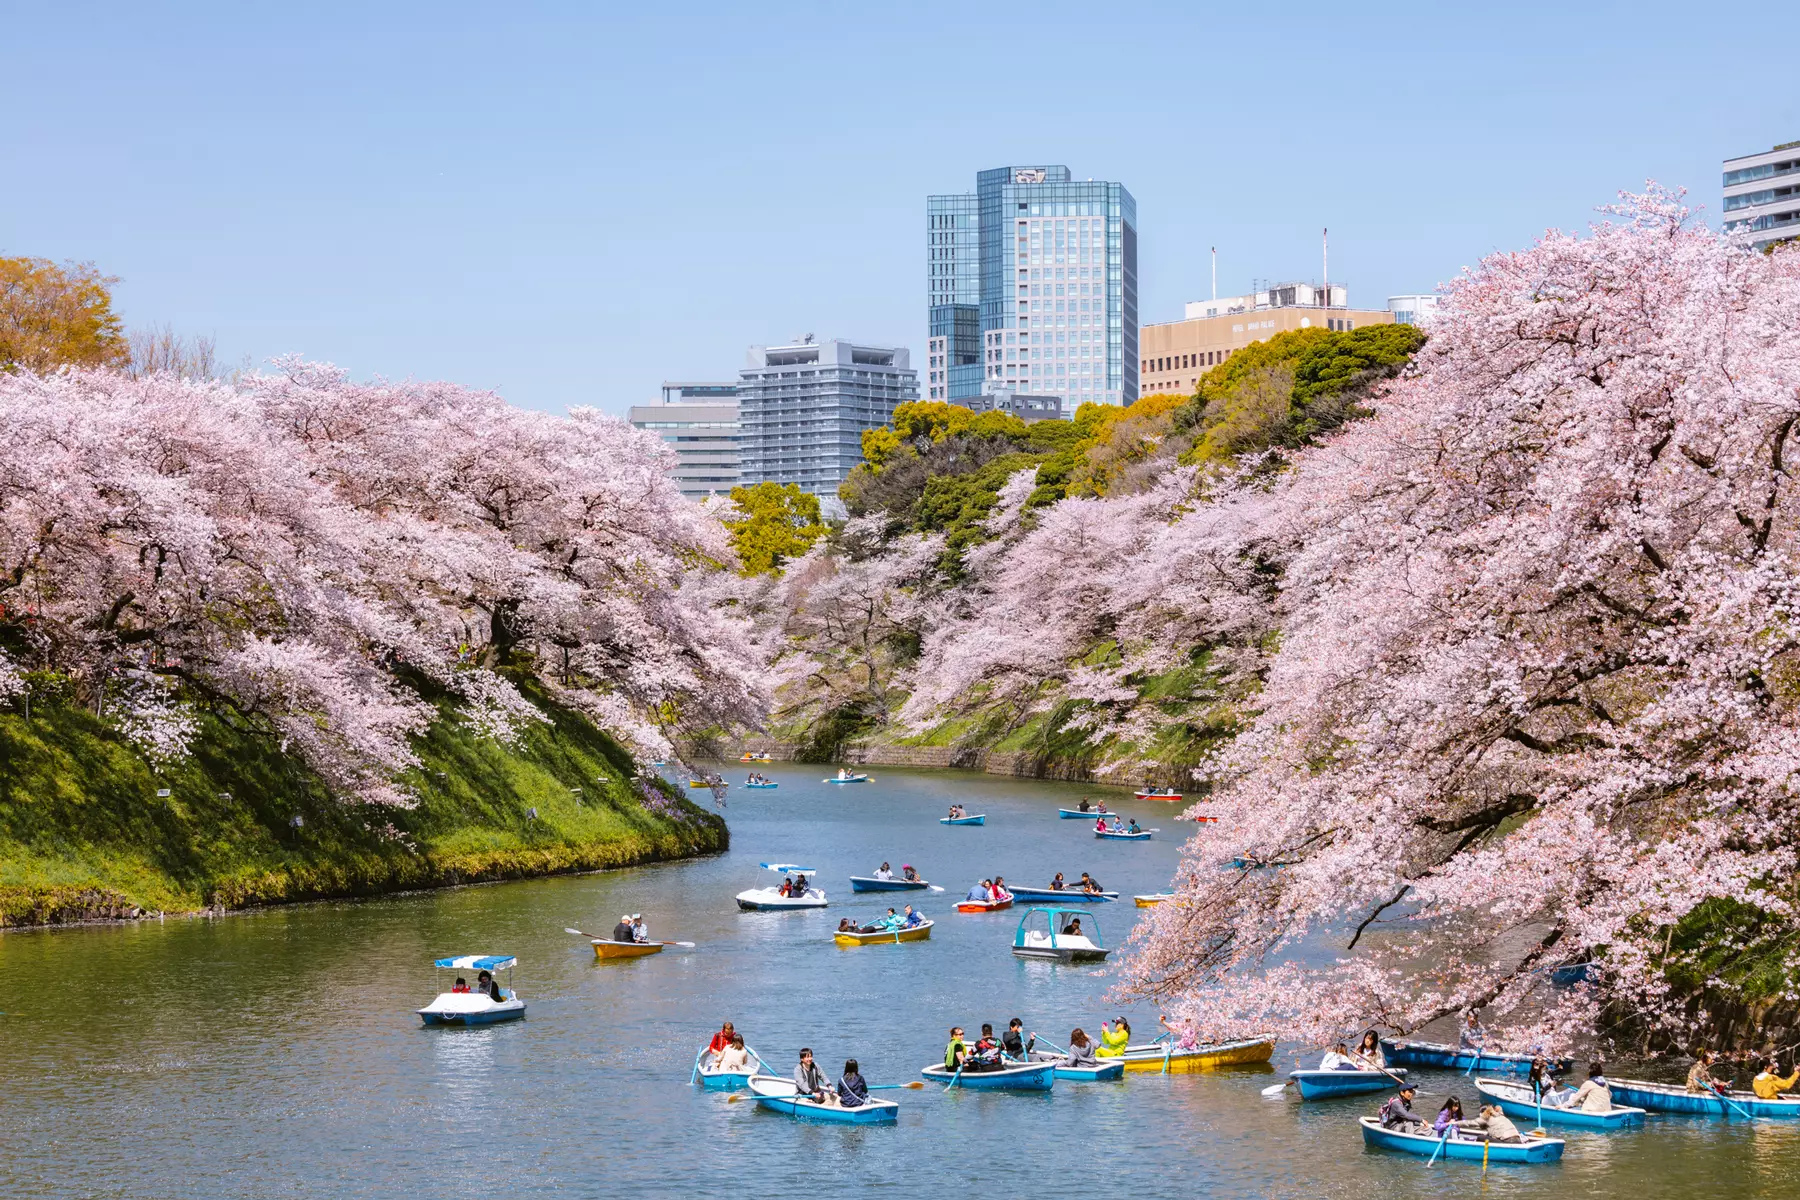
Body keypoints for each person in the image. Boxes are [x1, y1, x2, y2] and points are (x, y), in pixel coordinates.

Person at [1459, 1104, 1524, 1144]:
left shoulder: (1486, 1118)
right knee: (1488, 1135)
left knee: (1480, 1137)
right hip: (1518, 1140)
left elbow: (1468, 1123)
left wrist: (1454, 1123)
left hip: (1508, 1142)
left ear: (1482, 1113)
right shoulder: (1500, 1115)